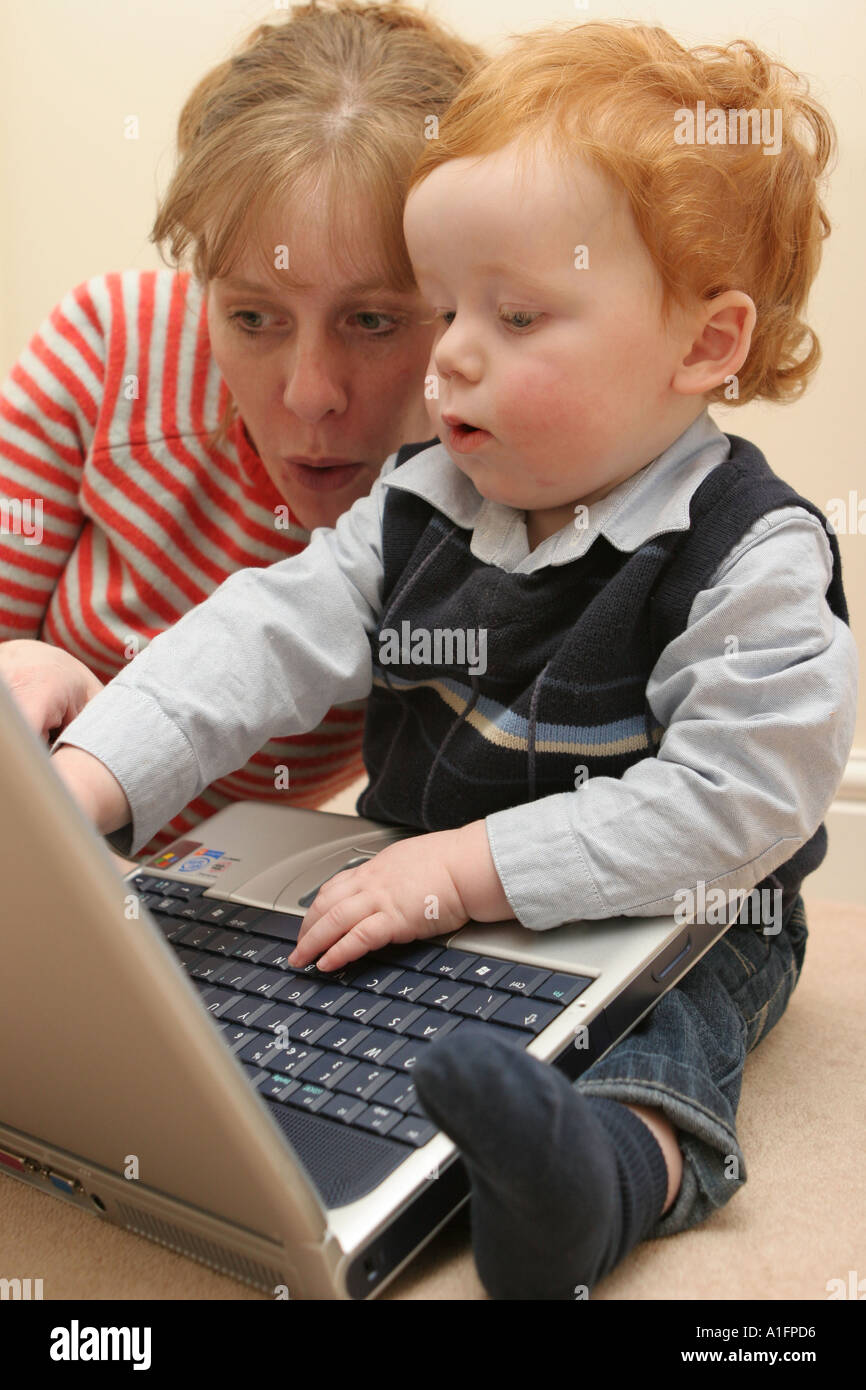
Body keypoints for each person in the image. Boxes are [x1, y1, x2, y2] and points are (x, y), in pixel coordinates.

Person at [32, 20, 859, 1300]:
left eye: (513, 314)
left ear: (702, 345)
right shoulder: (424, 501)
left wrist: (476, 870)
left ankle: (599, 1179)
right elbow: (258, 634)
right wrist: (85, 779)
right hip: (415, 868)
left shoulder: (746, 557)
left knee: (670, 1023)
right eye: (448, 307)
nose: (450, 356)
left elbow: (740, 802)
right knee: (309, 992)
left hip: (669, 910)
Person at [0, 0, 481, 862]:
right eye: (252, 316)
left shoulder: (499, 472)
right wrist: (35, 667)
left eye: (372, 320)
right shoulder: (111, 354)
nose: (309, 396)